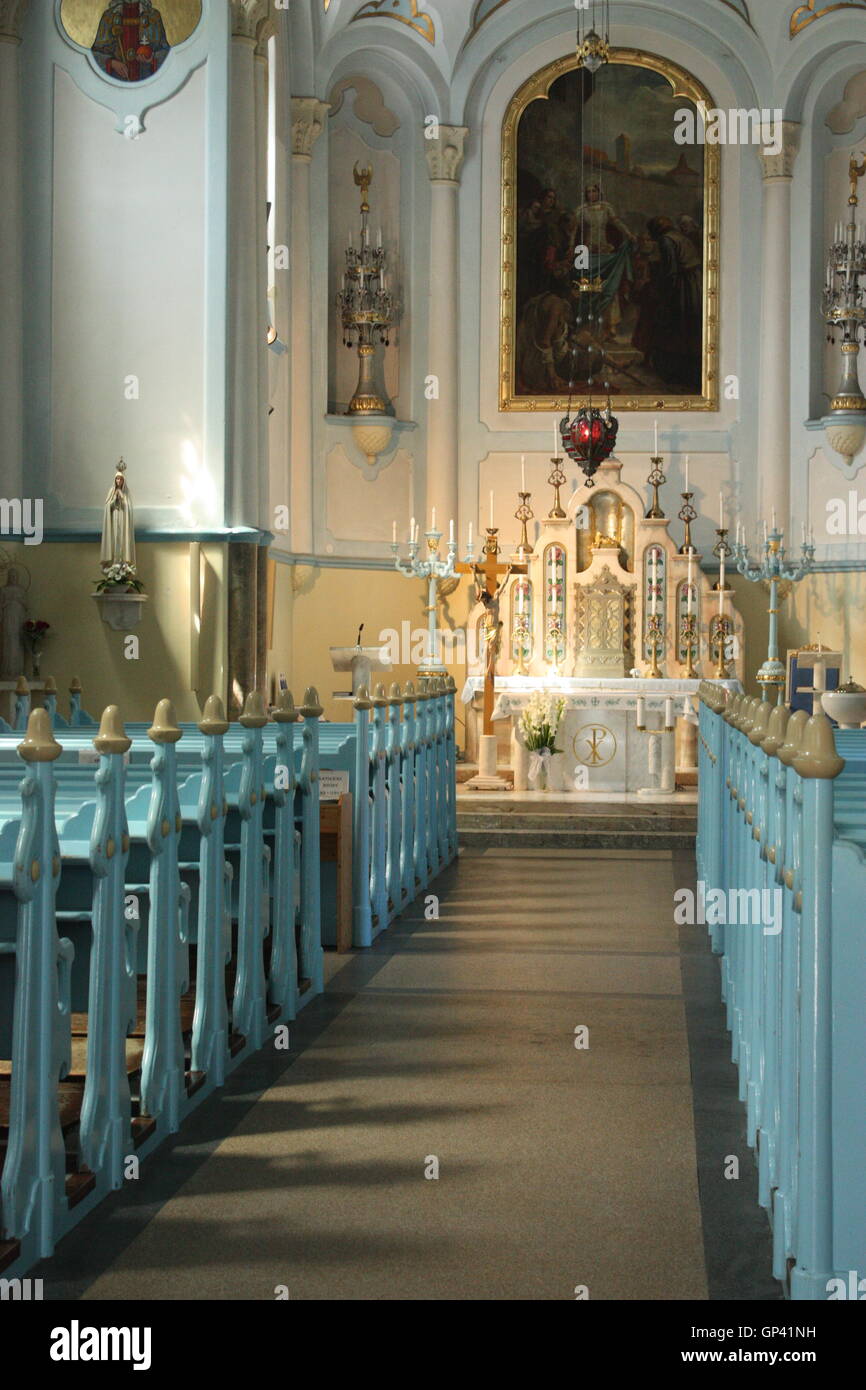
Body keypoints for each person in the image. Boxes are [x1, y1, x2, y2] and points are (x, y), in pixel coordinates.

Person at [92, 1, 170, 82]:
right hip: (117, 82)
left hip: (146, 81)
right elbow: (94, 56)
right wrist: (112, 63)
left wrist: (152, 58)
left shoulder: (153, 16)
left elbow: (167, 54)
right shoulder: (109, 16)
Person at [101, 461, 137, 570]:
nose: (119, 481)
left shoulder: (126, 493)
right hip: (113, 522)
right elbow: (108, 507)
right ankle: (113, 564)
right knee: (114, 541)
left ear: (123, 481)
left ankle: (122, 564)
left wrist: (122, 498)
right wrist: (114, 500)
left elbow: (128, 509)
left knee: (122, 541)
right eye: (117, 479)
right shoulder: (111, 491)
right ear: (115, 480)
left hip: (123, 521)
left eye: (121, 479)